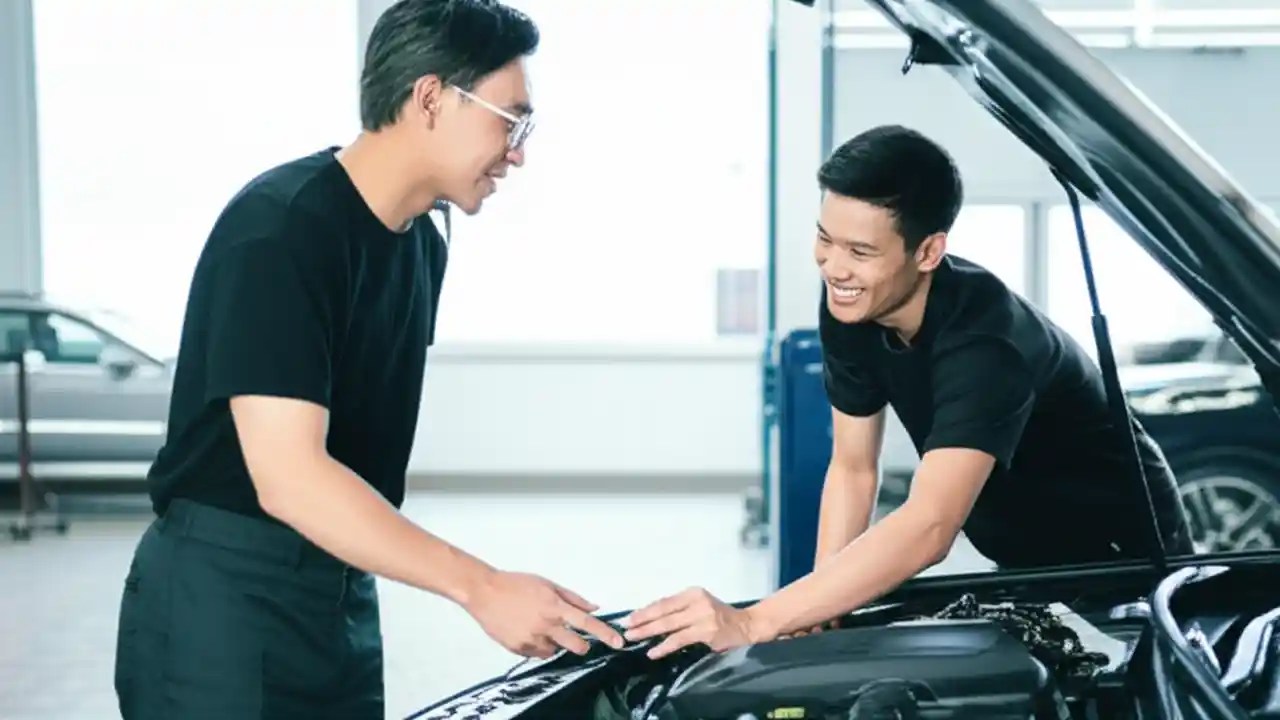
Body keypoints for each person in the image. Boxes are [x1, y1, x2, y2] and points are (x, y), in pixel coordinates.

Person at [112, 2, 623, 717]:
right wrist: (481, 586)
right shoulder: (282, 228)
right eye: (510, 121)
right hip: (224, 596)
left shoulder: (422, 246)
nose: (517, 152)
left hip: (339, 592)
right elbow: (289, 477)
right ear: (430, 98)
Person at [621, 124, 1194, 660]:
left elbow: (930, 526)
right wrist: (818, 608)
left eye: (860, 252)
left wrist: (756, 621)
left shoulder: (988, 345)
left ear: (927, 252)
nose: (834, 268)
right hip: (1022, 550)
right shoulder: (852, 303)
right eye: (825, 239)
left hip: (1119, 555)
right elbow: (853, 468)